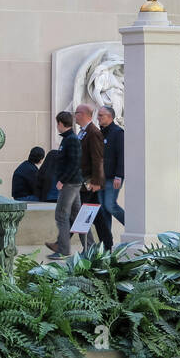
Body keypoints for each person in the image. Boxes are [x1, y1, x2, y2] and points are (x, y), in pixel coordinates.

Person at [46, 111, 83, 259]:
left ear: (61, 123)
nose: (57, 127)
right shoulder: (68, 139)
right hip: (73, 182)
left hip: (70, 183)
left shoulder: (71, 140)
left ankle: (63, 249)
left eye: (57, 124)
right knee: (77, 216)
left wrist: (63, 180)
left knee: (61, 215)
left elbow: (74, 164)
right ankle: (90, 247)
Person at [75, 105, 110, 250]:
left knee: (81, 214)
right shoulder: (83, 132)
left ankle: (90, 246)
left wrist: (96, 181)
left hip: (89, 182)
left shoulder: (93, 132)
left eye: (76, 113)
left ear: (82, 114)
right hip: (83, 181)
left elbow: (97, 158)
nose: (74, 116)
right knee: (97, 217)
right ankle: (106, 244)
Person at [96, 106, 124, 227]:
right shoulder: (100, 133)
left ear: (110, 117)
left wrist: (119, 175)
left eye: (101, 115)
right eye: (98, 115)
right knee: (102, 209)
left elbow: (122, 155)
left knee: (110, 205)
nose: (98, 118)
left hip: (113, 177)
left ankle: (132, 226)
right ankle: (107, 241)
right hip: (100, 178)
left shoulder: (118, 133)